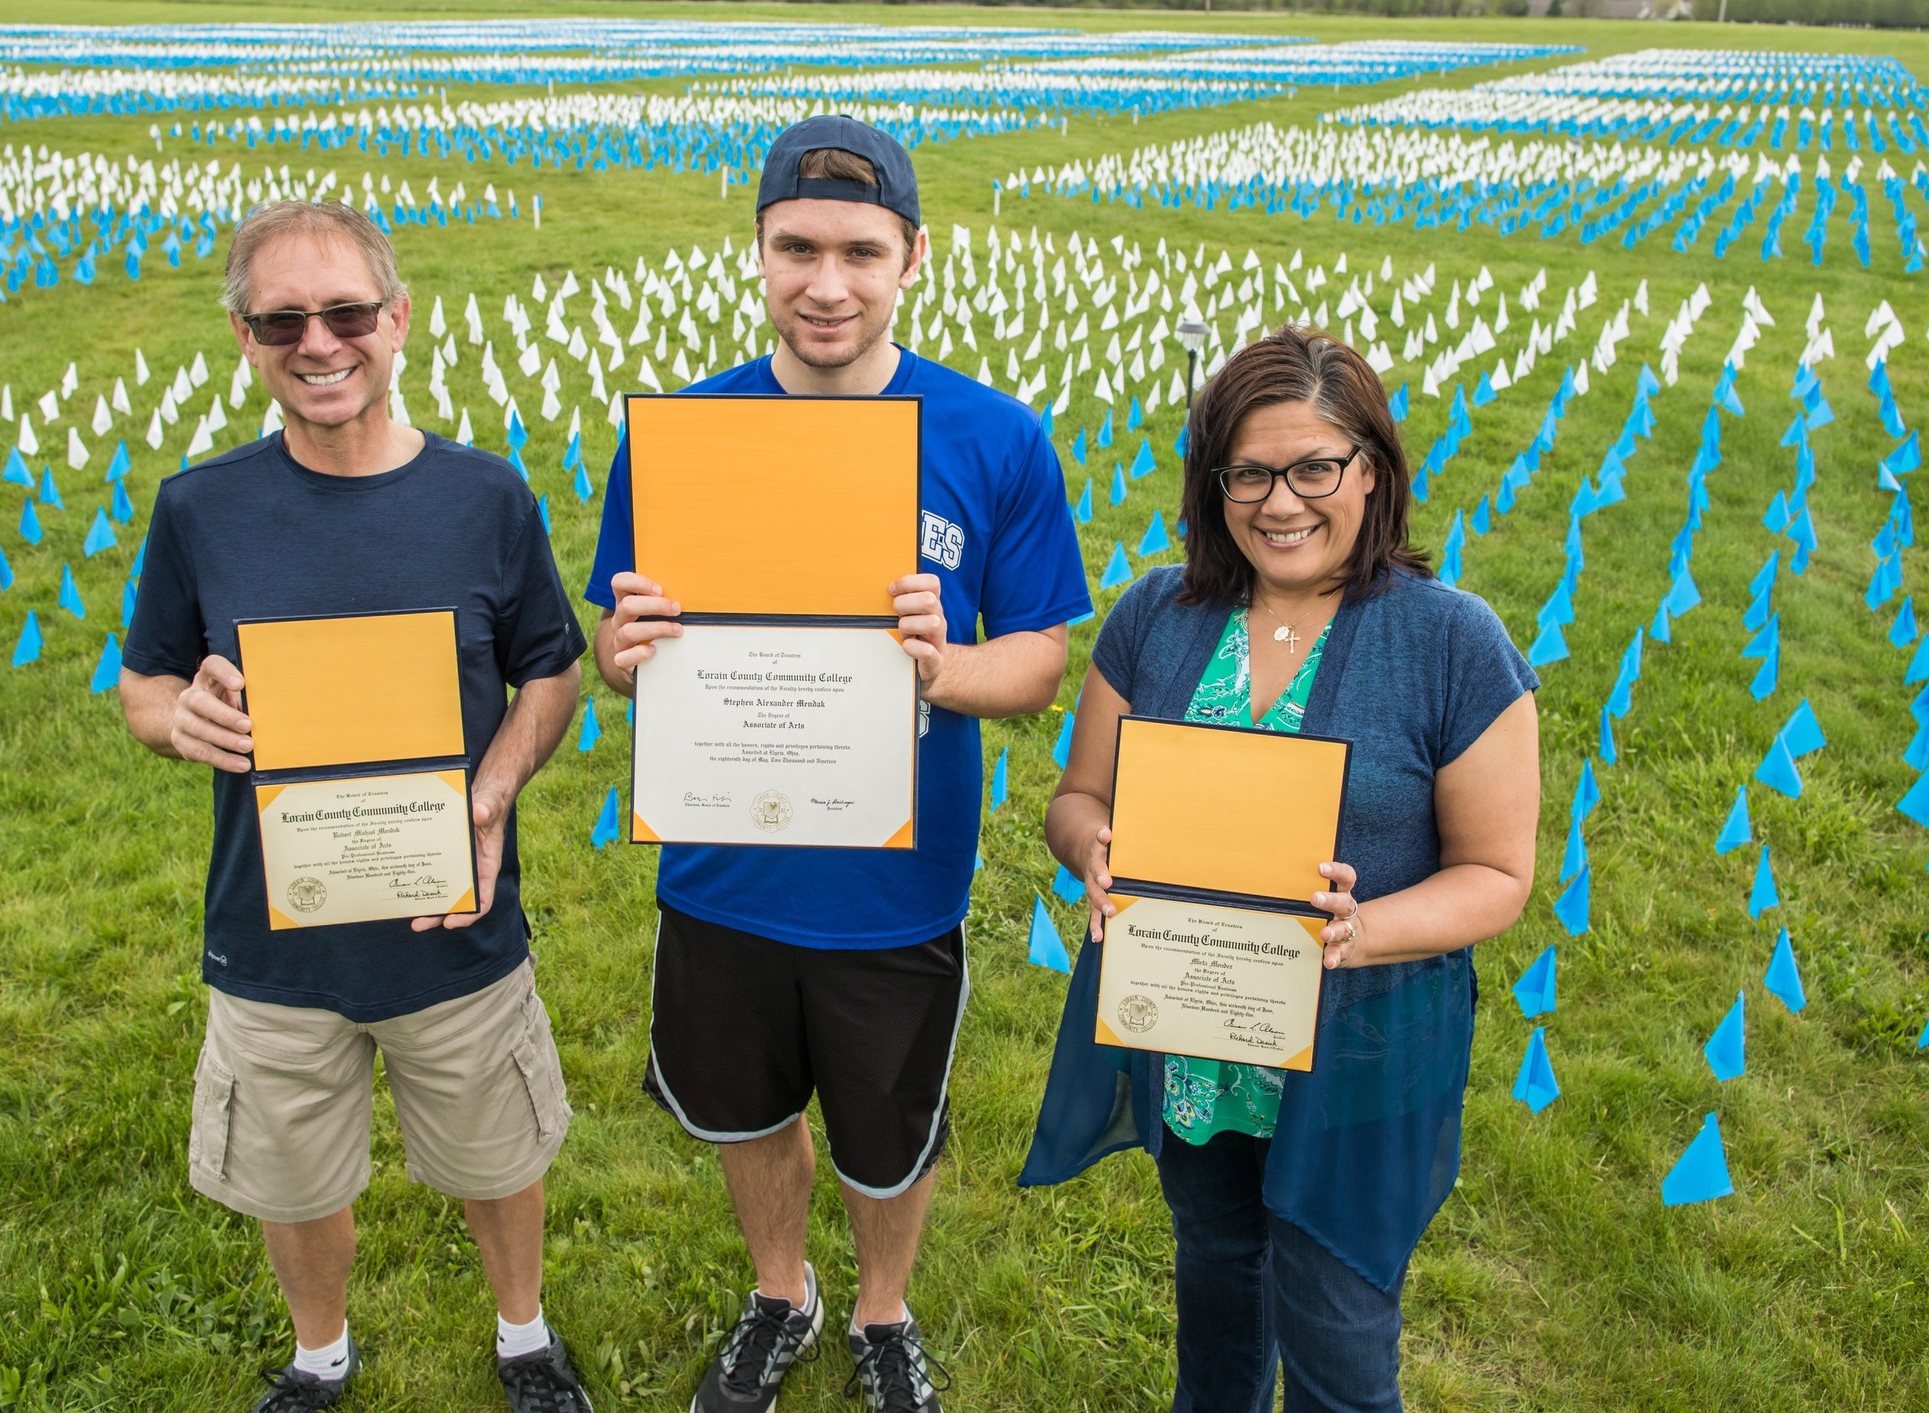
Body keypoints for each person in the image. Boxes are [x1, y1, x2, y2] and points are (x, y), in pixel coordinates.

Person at [586, 116, 1092, 1413]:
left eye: (860, 251)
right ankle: (779, 1292)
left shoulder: (992, 436)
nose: (827, 281)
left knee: (885, 1129)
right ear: (756, 251)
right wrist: (623, 649)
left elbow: (1038, 658)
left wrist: (946, 667)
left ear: (913, 256)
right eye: (797, 246)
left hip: (894, 880)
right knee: (744, 1108)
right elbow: (615, 636)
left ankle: (880, 1307)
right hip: (723, 865)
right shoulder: (682, 436)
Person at [119, 199, 596, 1413]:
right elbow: (145, 682)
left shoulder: (486, 496)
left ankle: (524, 1337)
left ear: (397, 319)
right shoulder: (199, 507)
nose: (317, 343)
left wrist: (492, 796)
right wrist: (181, 717)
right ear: (245, 337)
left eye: (343, 313)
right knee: (293, 1175)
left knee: (496, 1153)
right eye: (283, 320)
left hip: (454, 918)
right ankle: (319, 1356)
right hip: (275, 933)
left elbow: (554, 664)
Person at [1023, 327, 1541, 1413]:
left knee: (1342, 1348)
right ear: (1215, 480)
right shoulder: (1158, 615)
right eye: (1249, 472)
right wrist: (1094, 853)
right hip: (1195, 1034)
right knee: (1216, 1276)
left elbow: (1497, 872)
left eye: (1315, 468)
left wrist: (1365, 929)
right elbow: (1076, 801)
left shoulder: (1453, 642)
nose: (1280, 501)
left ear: (1373, 473)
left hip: (1359, 1048)